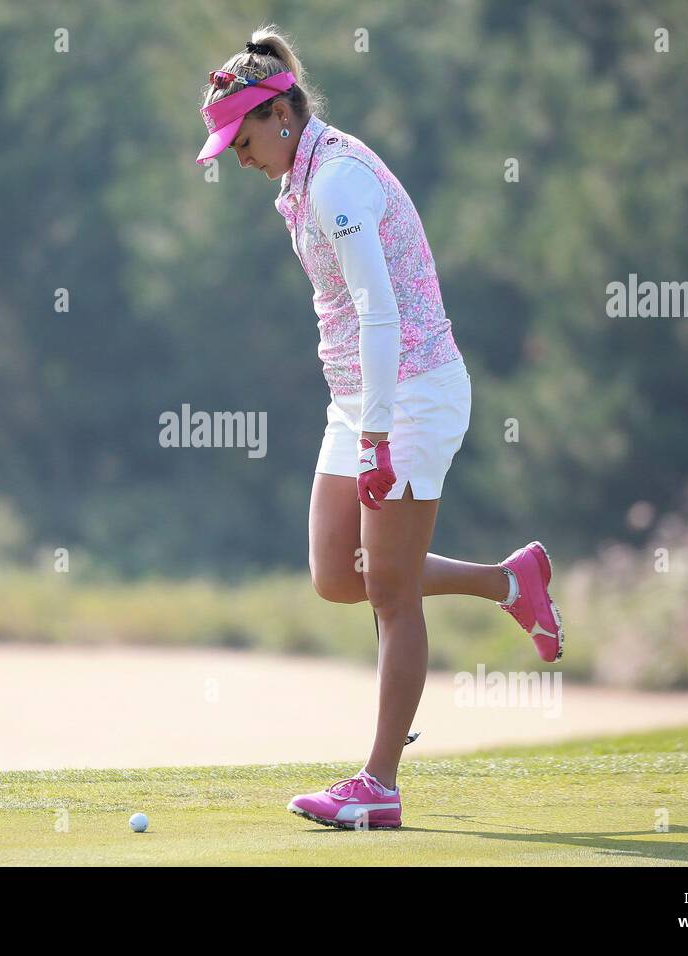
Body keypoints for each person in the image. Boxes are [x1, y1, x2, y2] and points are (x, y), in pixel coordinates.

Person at [196, 27, 566, 830]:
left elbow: (381, 311)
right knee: (338, 572)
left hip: (412, 394)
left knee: (392, 593)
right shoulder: (301, 172)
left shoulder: (333, 184)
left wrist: (377, 437)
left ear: (281, 114)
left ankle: (380, 785)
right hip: (362, 394)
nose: (237, 156)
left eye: (242, 138)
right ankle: (508, 582)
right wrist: (360, 420)